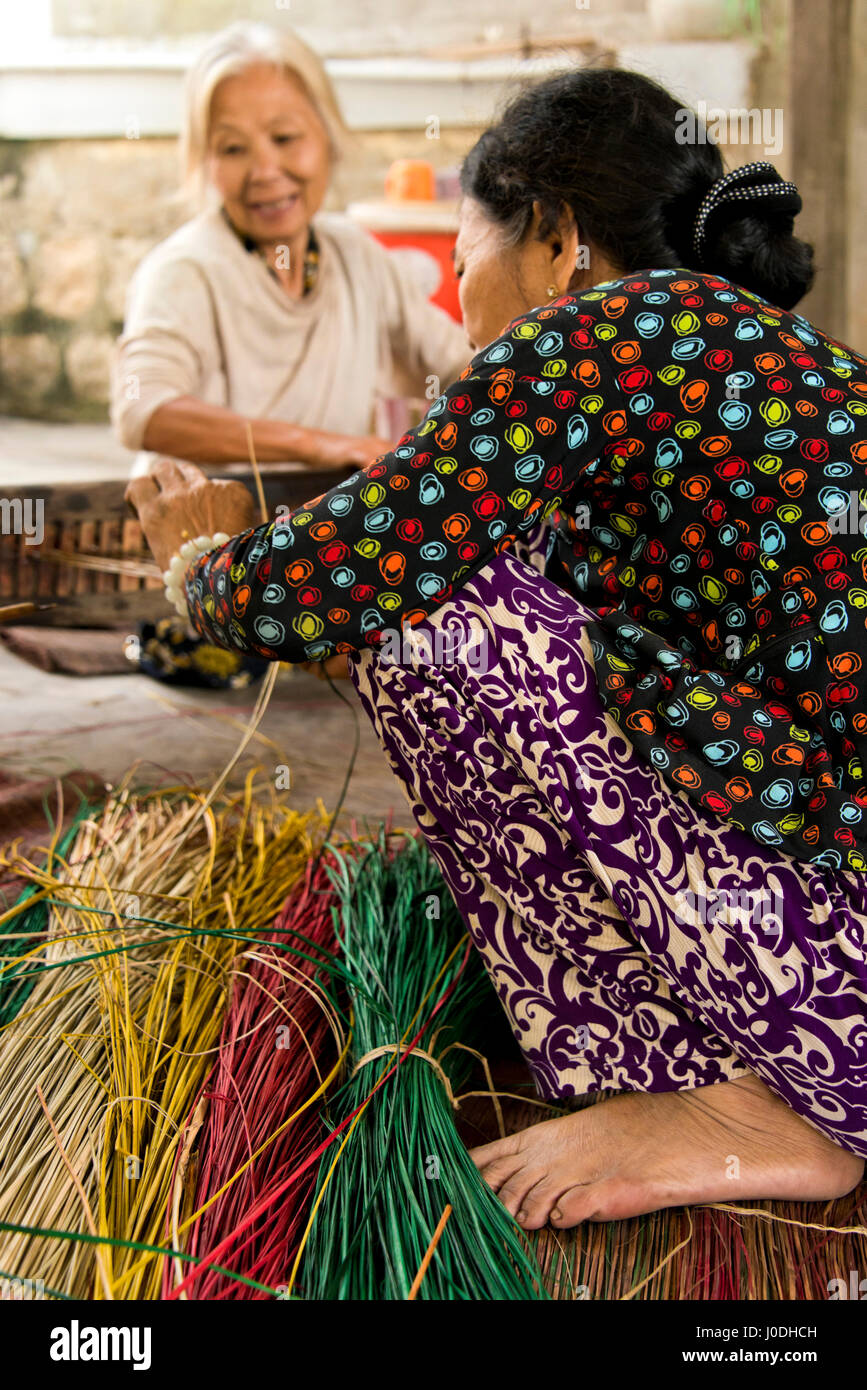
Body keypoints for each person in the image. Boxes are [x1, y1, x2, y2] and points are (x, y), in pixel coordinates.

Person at [127, 67, 867, 1231]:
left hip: (838, 990)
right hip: (830, 942)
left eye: (466, 253)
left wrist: (207, 569)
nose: (460, 288)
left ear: (558, 238)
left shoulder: (605, 330)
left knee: (427, 616)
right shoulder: (733, 346)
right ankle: (730, 1056)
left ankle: (731, 1096)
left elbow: (359, 575)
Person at [110, 20, 469, 476]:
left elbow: (456, 363)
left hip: (318, 534)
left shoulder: (356, 256)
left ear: (328, 136)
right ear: (206, 161)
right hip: (207, 540)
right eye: (233, 148)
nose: (264, 171)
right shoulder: (184, 271)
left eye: (284, 139)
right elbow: (143, 410)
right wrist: (319, 446)